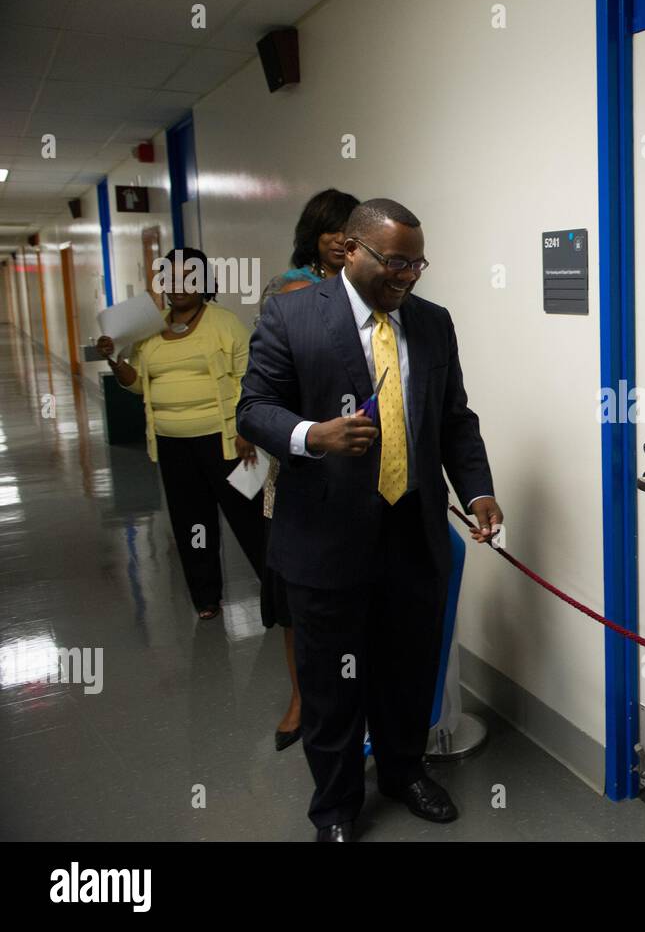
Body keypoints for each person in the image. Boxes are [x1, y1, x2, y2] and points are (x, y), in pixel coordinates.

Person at [237, 198, 504, 842]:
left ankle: (403, 772)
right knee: (331, 685)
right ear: (350, 250)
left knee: (408, 670)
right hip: (325, 540)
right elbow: (254, 408)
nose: (409, 276)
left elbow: (453, 419)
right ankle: (334, 807)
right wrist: (309, 435)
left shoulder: (434, 324)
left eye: (418, 263)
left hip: (412, 536)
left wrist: (476, 492)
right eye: (395, 261)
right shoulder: (292, 312)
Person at [97, 247, 264, 621]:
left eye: (189, 276)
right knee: (192, 522)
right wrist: (116, 361)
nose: (179, 284)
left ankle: (277, 592)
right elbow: (138, 383)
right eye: (170, 277)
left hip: (224, 442)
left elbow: (249, 380)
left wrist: (245, 428)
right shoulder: (150, 329)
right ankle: (205, 598)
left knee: (250, 520)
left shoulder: (225, 323)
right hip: (172, 445)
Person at [257, 189, 360, 752]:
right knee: (299, 597)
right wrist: (307, 436)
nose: (342, 237)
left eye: (352, 228)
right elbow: (263, 396)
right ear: (313, 232)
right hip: (299, 464)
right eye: (332, 228)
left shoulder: (374, 290)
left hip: (361, 473)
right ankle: (301, 697)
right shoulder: (288, 291)